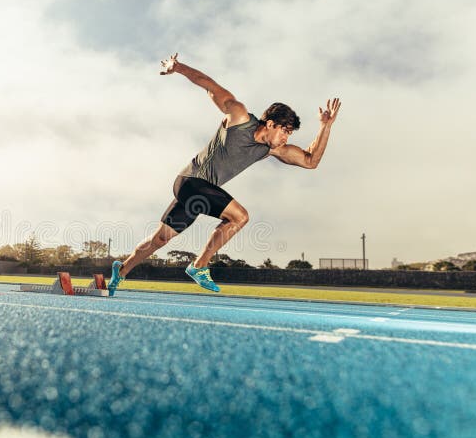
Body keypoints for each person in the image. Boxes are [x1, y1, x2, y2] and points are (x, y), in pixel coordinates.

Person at [108, 53, 341, 295]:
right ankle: (199, 266)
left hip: (200, 196)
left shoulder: (272, 150)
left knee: (160, 239)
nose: (286, 138)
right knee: (240, 217)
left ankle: (121, 271)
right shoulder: (239, 116)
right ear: (270, 124)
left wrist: (326, 127)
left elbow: (311, 160)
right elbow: (209, 85)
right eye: (285, 131)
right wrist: (177, 67)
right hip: (190, 182)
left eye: (289, 134)